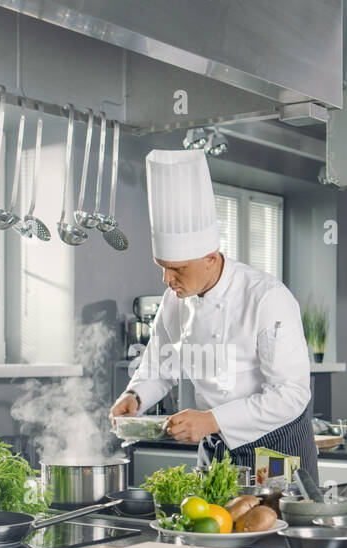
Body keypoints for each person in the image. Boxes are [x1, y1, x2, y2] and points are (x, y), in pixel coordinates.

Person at [109, 149, 317, 479]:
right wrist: (134, 396)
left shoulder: (266, 298)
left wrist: (212, 419)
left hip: (276, 450)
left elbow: (291, 395)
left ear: (210, 257)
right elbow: (160, 367)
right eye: (162, 268)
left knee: (274, 529)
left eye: (177, 269)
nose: (167, 280)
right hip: (216, 449)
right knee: (208, 528)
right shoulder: (174, 301)